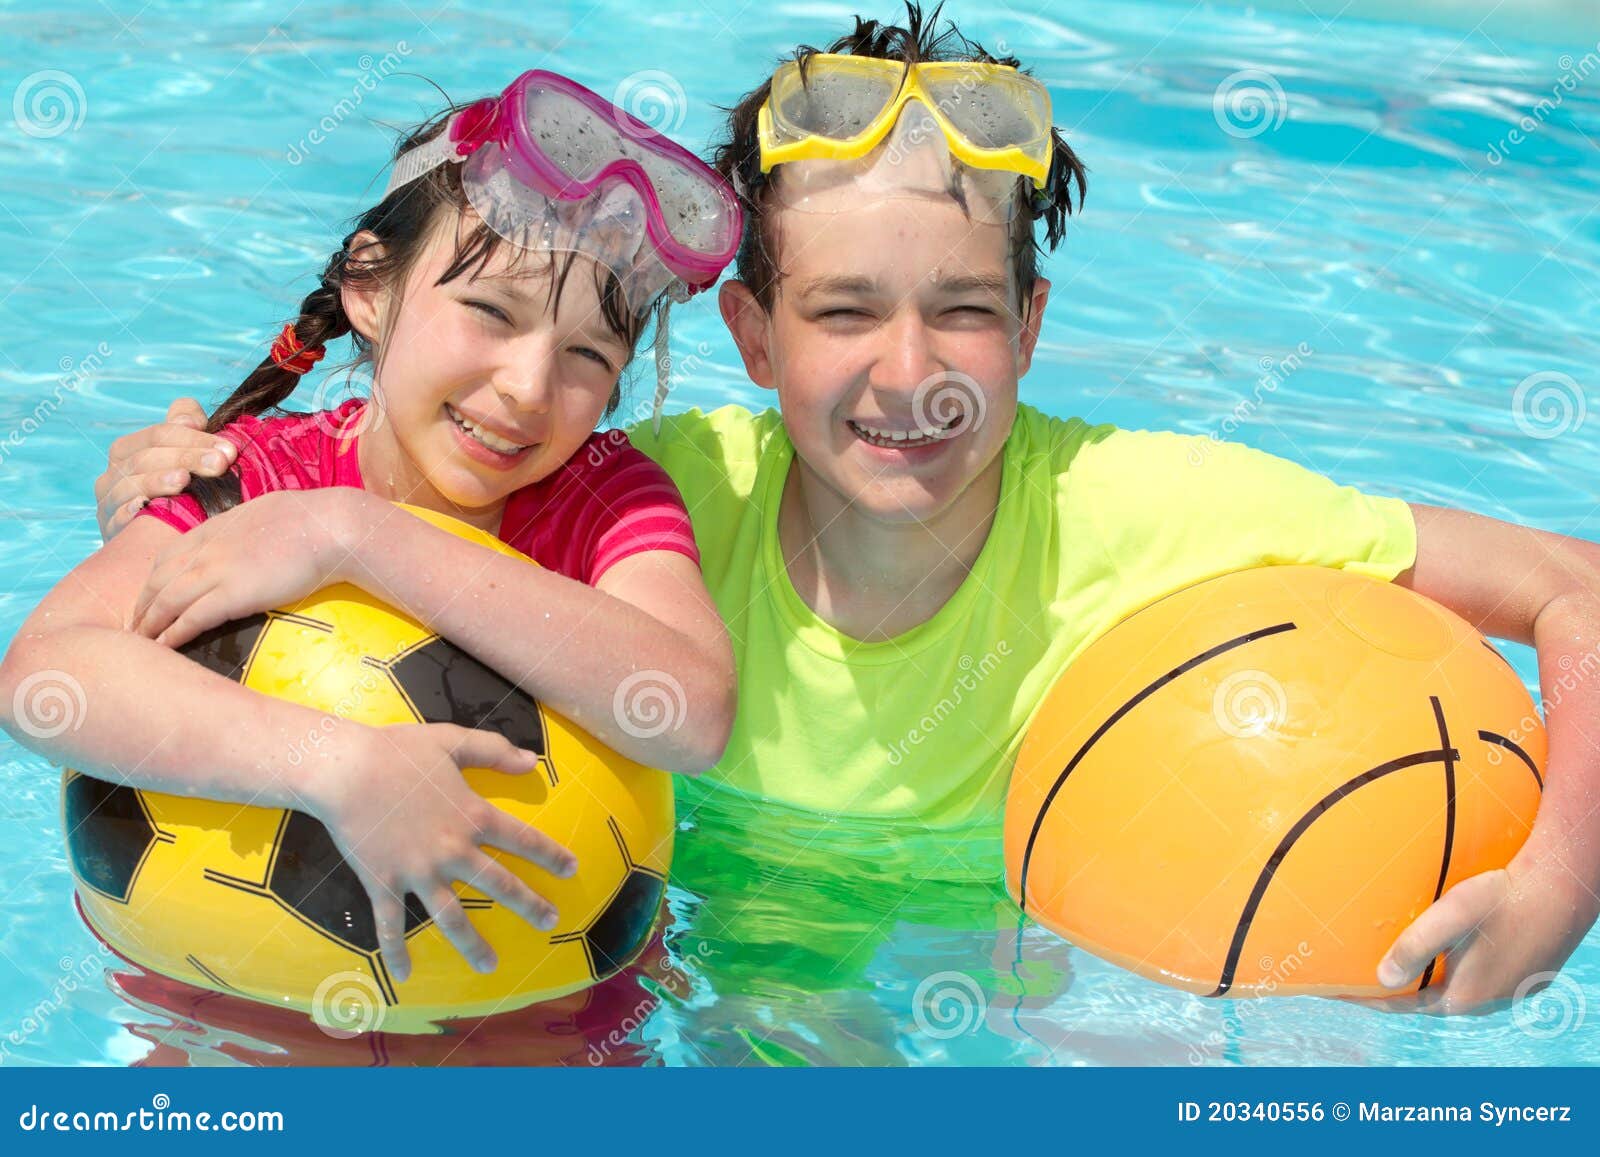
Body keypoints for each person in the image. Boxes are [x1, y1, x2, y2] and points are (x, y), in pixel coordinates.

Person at [92, 7, 1600, 1014]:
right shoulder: (638, 490)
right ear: (752, 337)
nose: (908, 372)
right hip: (675, 981)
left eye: (965, 310)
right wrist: (183, 480)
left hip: (1016, 976)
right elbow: (403, 464)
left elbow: (1573, 583)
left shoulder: (1141, 509)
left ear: (1032, 326)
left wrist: (1559, 885)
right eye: (843, 311)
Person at [1, 68, 741, 984]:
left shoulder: (604, 498)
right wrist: (336, 766)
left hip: (536, 1010)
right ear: (369, 286)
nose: (528, 389)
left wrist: (355, 536)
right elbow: (44, 676)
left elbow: (693, 714)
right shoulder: (256, 477)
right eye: (490, 311)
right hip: (219, 990)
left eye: (588, 353)